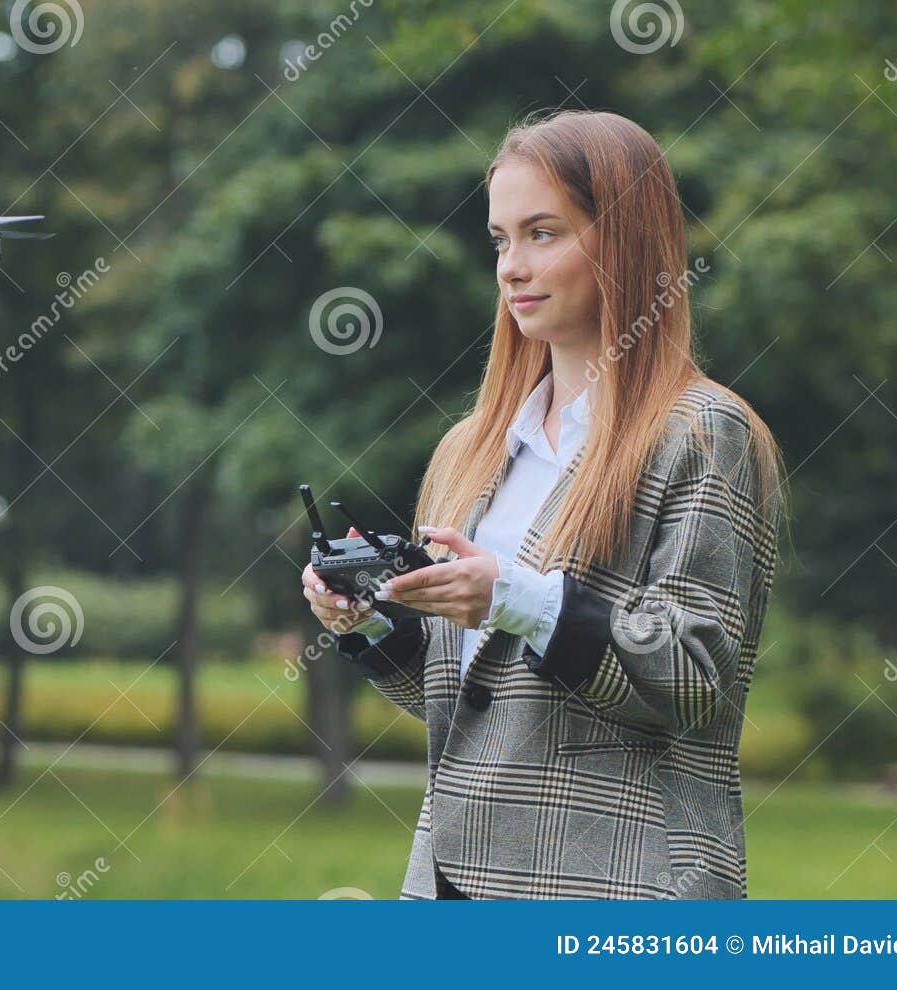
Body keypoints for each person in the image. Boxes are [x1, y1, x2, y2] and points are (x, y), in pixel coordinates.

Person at [301, 109, 785, 899]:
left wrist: (512, 595)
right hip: (452, 884)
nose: (511, 267)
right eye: (499, 240)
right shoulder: (472, 447)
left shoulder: (703, 432)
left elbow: (695, 674)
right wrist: (371, 617)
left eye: (544, 233)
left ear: (624, 241)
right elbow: (473, 696)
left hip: (620, 891)